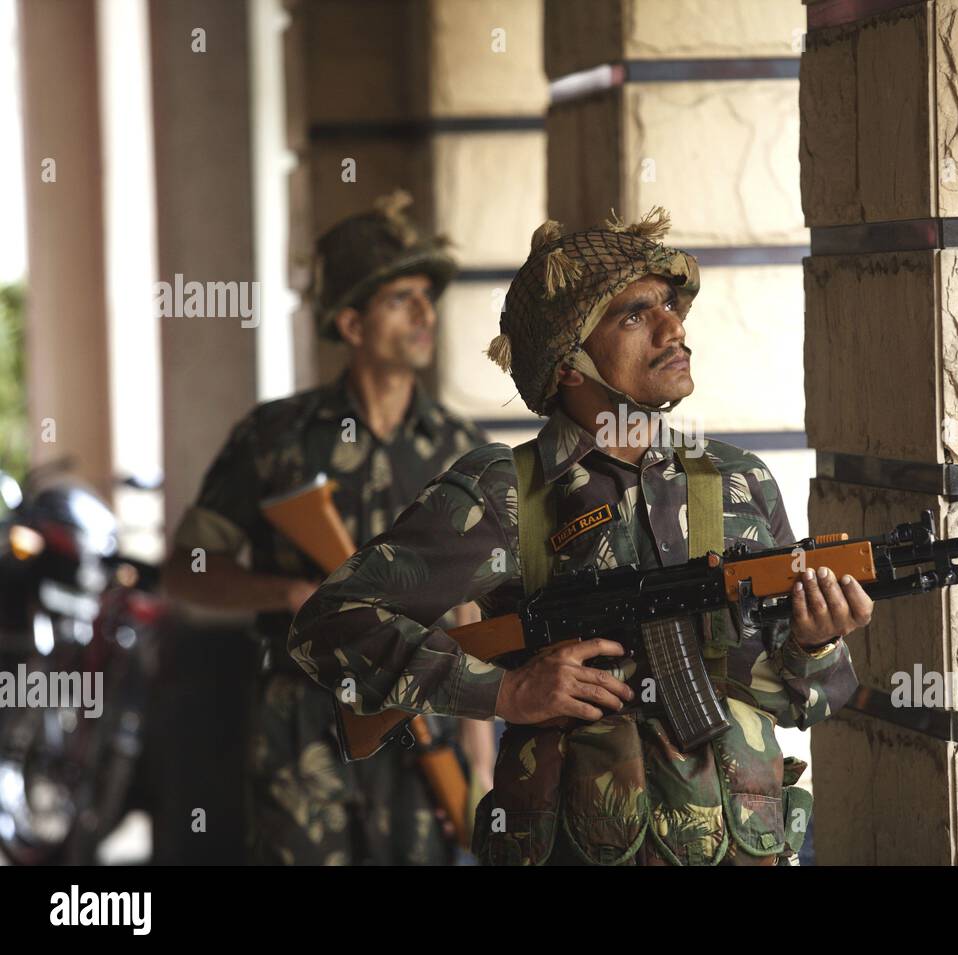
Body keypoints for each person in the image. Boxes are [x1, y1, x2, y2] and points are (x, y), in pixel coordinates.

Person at [288, 207, 871, 865]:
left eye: (671, 307)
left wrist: (817, 642)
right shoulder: (506, 491)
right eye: (633, 314)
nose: (674, 328)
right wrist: (504, 691)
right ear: (567, 363)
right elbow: (328, 623)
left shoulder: (737, 482)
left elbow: (801, 697)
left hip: (740, 846)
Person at [162, 191, 495, 865]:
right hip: (302, 732)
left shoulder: (460, 450)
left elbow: (471, 610)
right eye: (403, 298)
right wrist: (284, 594)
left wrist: (480, 763)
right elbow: (186, 569)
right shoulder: (275, 438)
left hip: (422, 725)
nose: (426, 314)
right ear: (350, 323)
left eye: (428, 296)